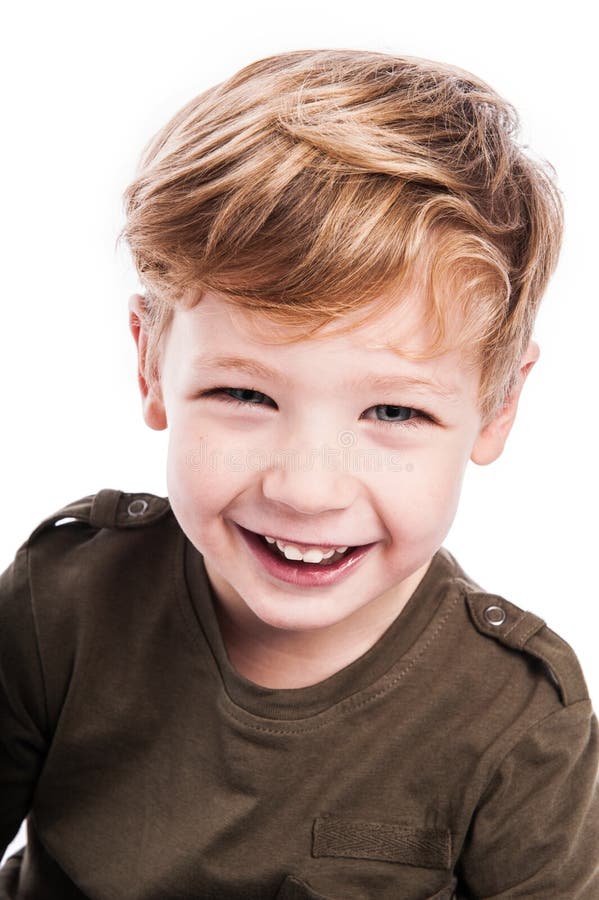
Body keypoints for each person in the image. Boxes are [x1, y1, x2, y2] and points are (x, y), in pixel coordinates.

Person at [1, 49, 597, 899]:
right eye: (243, 393)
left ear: (497, 408)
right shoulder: (62, 602)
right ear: (150, 364)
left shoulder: (516, 719)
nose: (305, 490)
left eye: (393, 412)